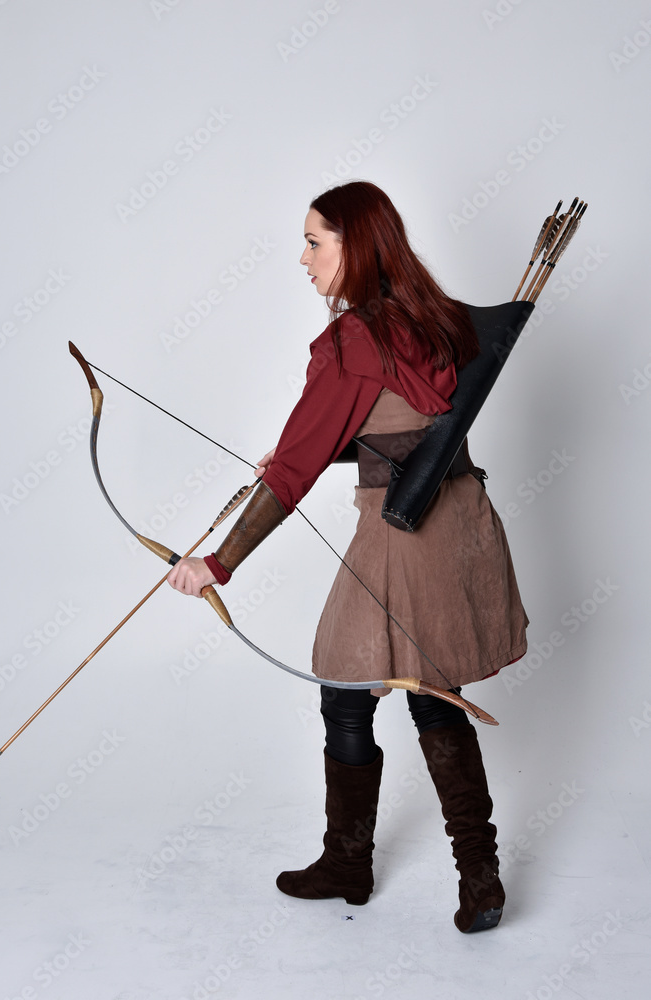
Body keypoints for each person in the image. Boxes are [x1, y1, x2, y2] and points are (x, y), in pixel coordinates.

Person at [167, 181, 529, 933]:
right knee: (430, 690)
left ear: (354, 246)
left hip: (403, 536)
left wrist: (215, 563)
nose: (301, 259)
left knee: (347, 677)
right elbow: (411, 426)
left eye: (314, 242)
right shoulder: (432, 318)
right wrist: (326, 448)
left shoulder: (350, 341)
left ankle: (351, 860)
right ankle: (477, 877)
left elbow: (288, 476)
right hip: (462, 524)